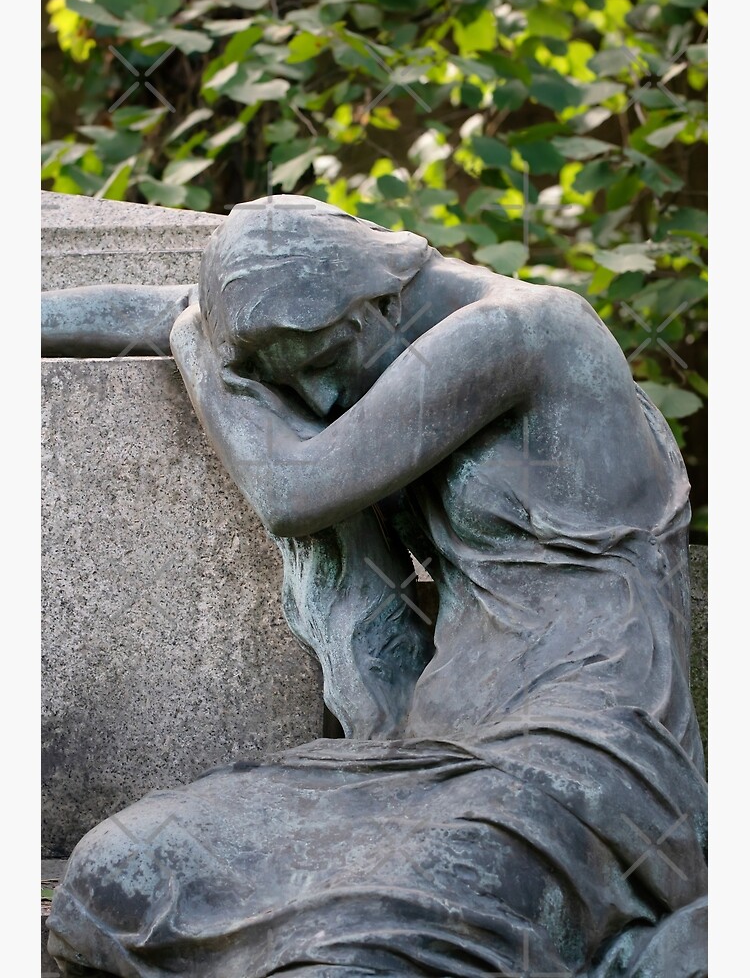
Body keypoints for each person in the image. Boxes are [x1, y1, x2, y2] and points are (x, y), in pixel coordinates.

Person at [47, 197, 707, 977]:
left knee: (357, 957)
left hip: (584, 766)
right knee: (116, 873)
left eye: (328, 359)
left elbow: (294, 490)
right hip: (430, 761)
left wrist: (203, 355)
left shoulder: (528, 333)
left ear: (379, 295)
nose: (322, 400)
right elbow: (161, 309)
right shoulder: (370, 317)